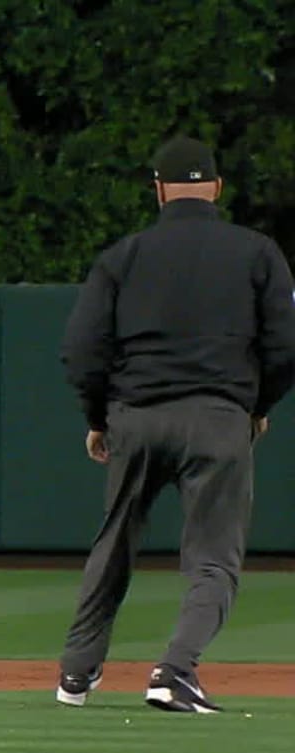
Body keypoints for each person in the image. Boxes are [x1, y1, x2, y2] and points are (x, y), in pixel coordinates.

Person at [56, 135, 295, 713]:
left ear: (159, 191)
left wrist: (99, 417)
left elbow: (81, 350)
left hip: (135, 417)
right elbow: (286, 345)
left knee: (114, 543)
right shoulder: (258, 252)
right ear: (215, 188)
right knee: (214, 557)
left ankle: (76, 675)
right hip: (217, 418)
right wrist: (256, 407)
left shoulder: (123, 256)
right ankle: (175, 669)